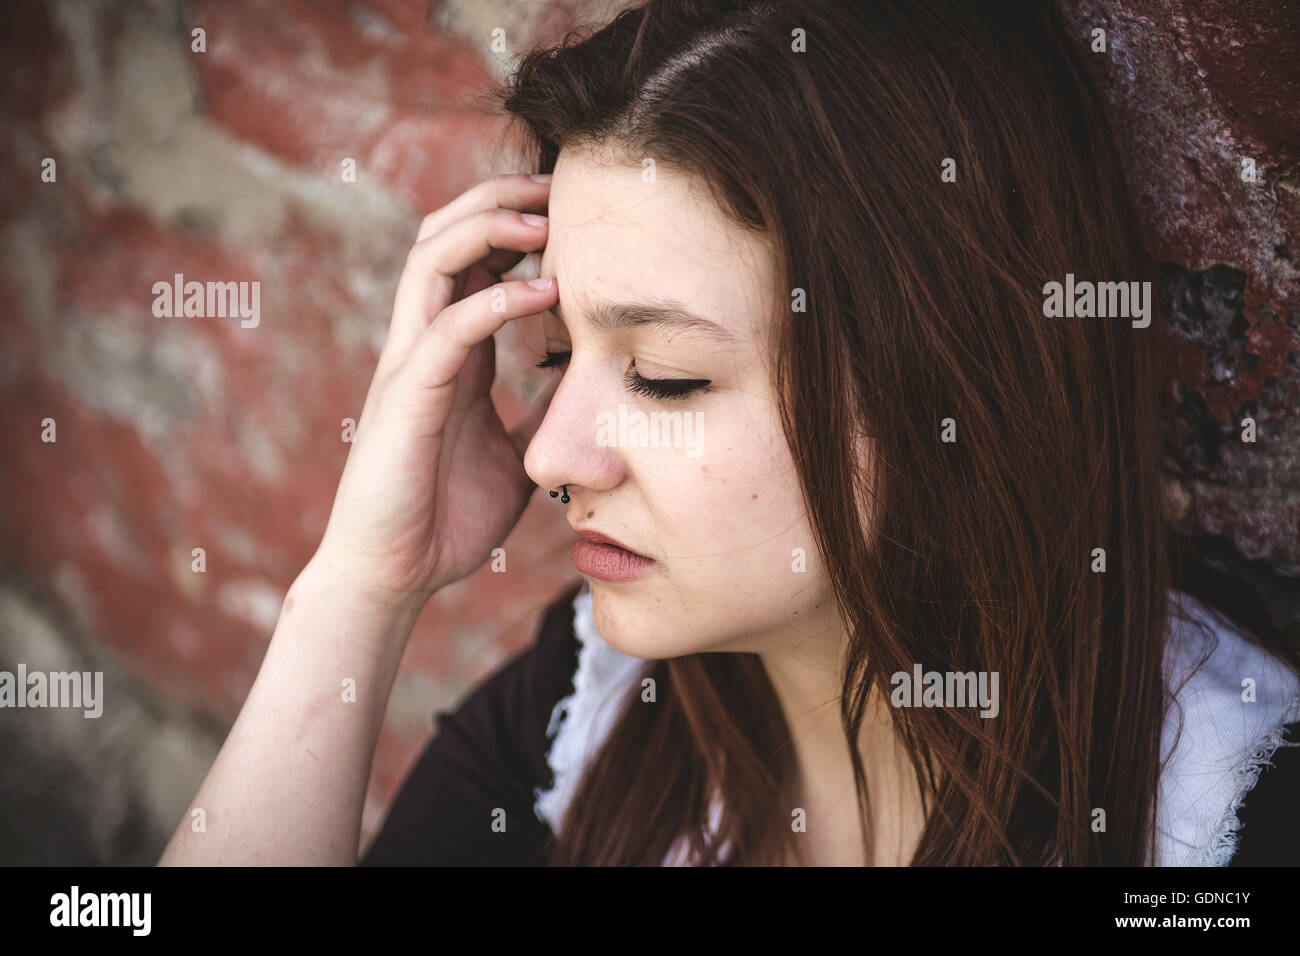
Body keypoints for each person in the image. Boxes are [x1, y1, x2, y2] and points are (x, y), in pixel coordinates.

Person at [158, 0, 1300, 867]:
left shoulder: (1225, 811)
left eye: (662, 376)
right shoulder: (593, 719)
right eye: (559, 356)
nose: (552, 457)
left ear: (947, 385)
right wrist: (360, 587)